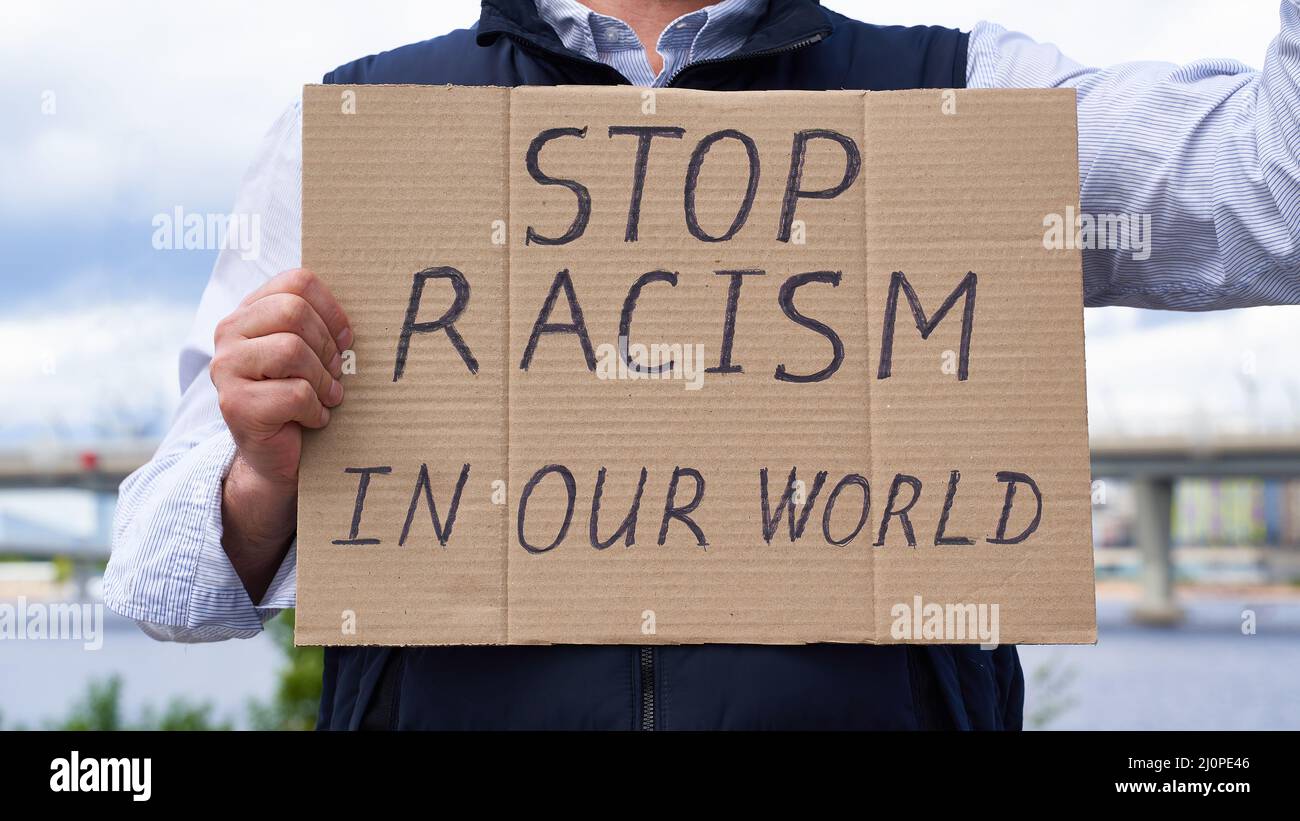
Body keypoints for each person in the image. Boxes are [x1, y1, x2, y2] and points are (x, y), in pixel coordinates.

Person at [105, 0, 1300, 729]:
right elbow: (158, 583)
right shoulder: (359, 127)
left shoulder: (969, 102)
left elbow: (1274, 195)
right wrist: (258, 477)